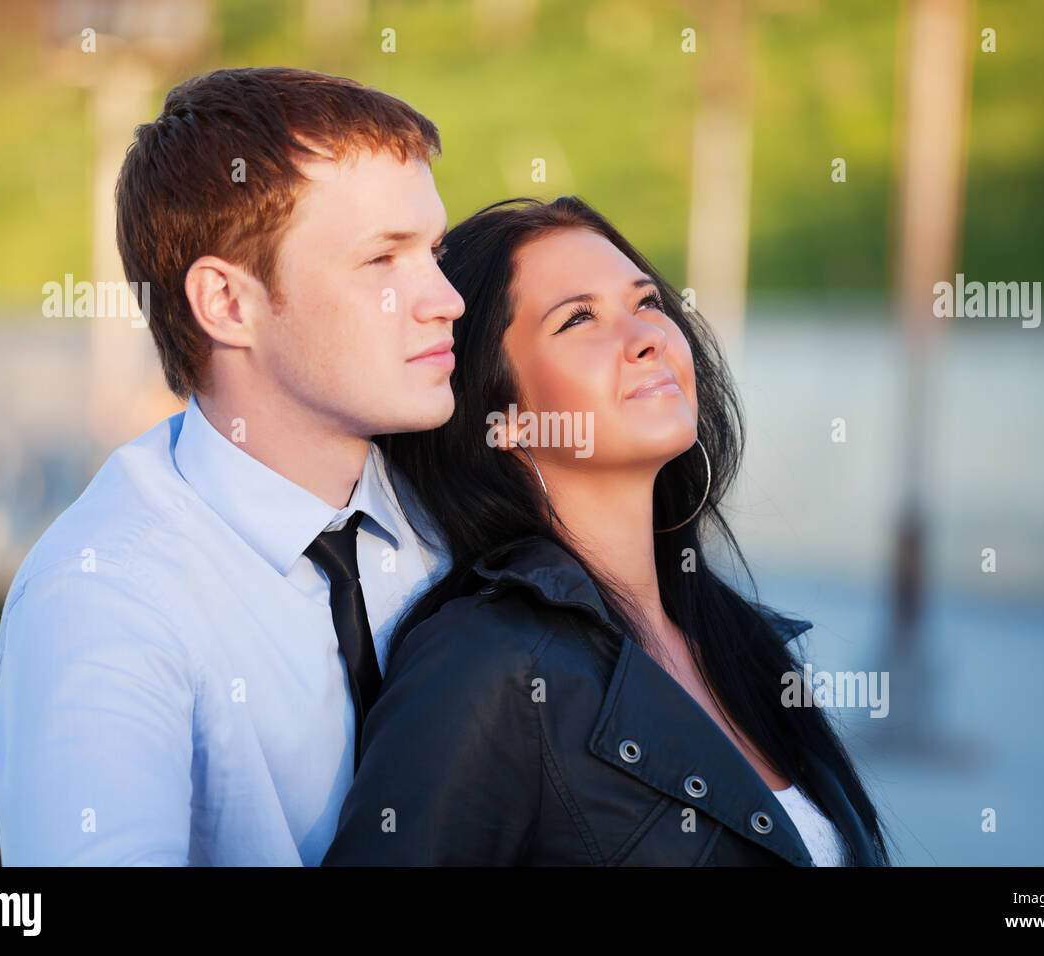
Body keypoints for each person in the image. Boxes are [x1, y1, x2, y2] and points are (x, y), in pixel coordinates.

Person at [0, 67, 464, 864]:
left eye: (434, 251)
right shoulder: (101, 599)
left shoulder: (464, 506)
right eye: (383, 262)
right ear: (227, 304)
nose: (444, 298)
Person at [322, 196, 892, 866]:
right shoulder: (485, 666)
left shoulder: (740, 639)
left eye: (646, 301)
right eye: (580, 318)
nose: (648, 336)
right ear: (497, 412)